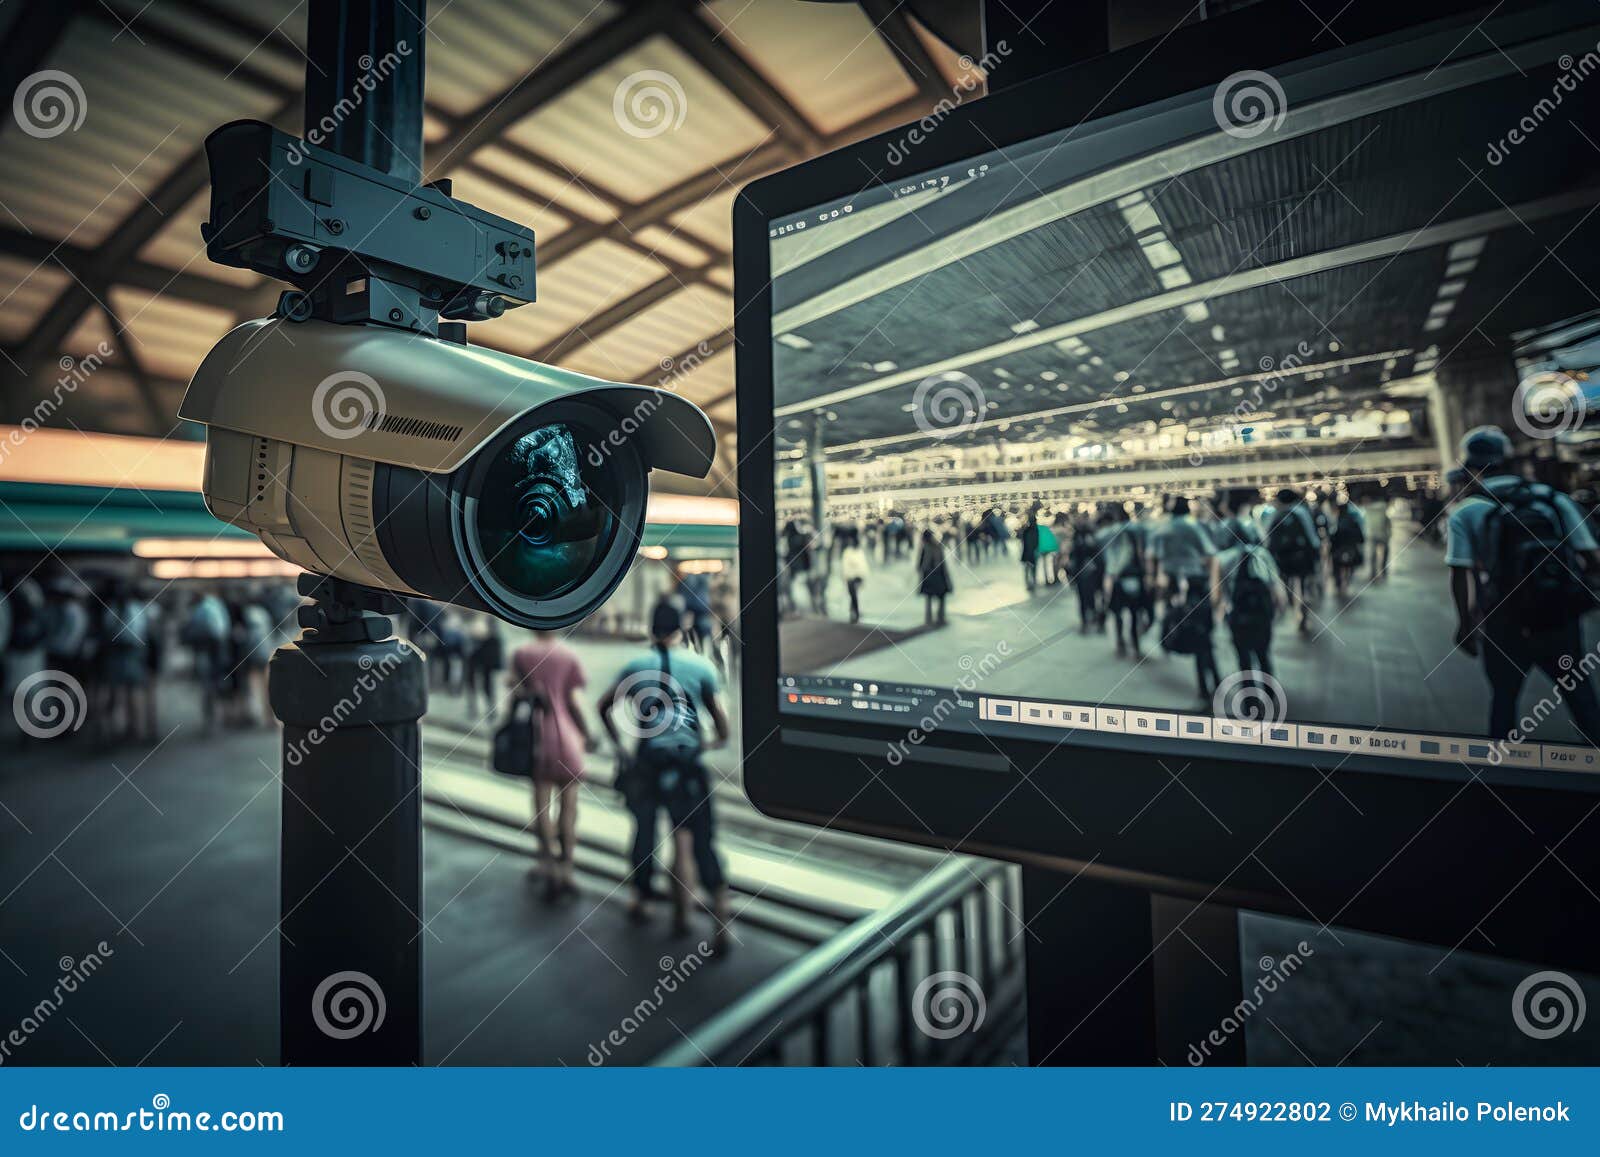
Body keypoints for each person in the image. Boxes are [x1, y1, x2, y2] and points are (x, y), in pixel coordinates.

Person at [1446, 426, 1600, 744]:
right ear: (1511, 462)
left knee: (1504, 700)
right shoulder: (1553, 499)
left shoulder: (1467, 512)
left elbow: (1460, 574)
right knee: (1581, 697)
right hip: (1558, 619)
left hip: (1504, 624)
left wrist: (1466, 624)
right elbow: (1591, 557)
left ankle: (1502, 778)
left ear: (1473, 469)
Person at [600, 602, 731, 946]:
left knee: (644, 832)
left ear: (650, 629)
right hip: (686, 765)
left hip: (647, 762)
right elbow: (722, 728)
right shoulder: (701, 667)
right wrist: (706, 745)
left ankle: (641, 900)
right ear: (682, 626)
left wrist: (621, 746)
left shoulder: (636, 666)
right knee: (695, 838)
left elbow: (604, 706)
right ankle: (716, 920)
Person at [508, 630, 593, 901]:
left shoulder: (522, 654)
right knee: (569, 809)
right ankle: (567, 869)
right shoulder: (568, 655)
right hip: (567, 738)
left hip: (537, 739)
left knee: (541, 807)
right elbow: (575, 702)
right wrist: (588, 733)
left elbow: (515, 694)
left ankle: (548, 867)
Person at [1214, 489, 1288, 689]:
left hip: (1237, 615)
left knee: (1243, 659)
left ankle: (1249, 702)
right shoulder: (1262, 555)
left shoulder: (1222, 559)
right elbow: (1278, 591)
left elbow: (1217, 596)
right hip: (1262, 614)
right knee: (1264, 655)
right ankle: (1270, 694)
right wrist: (1280, 611)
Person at [1151, 496, 1222, 701]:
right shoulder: (1193, 527)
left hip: (1173, 587)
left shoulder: (1162, 530)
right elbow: (1210, 555)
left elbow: (1156, 558)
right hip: (1197, 586)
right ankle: (1212, 682)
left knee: (1188, 629)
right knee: (1204, 636)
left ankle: (1205, 685)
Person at [1265, 488, 1320, 634]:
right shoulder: (1302, 513)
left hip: (1284, 559)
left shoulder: (1277, 515)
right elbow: (1312, 538)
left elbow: (1270, 540)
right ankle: (1302, 612)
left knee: (1286, 585)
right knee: (1303, 587)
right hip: (1303, 558)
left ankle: (1291, 608)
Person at [1099, 507, 1148, 658]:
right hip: (1129, 576)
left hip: (1117, 577)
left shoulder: (1110, 533)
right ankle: (1134, 644)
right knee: (1132, 613)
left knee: (1119, 612)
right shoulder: (1132, 532)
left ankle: (1122, 642)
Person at [1066, 516, 1104, 633]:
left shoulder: (1088, 538)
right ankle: (1088, 621)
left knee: (1088, 598)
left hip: (1088, 573)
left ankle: (1091, 620)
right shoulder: (1080, 538)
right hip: (1084, 572)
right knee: (1086, 598)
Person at [464, 615, 505, 719]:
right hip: (477, 660)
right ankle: (476, 709)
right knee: (478, 685)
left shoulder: (491, 630)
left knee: (486, 686)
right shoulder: (482, 626)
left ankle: (486, 710)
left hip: (483, 661)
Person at [1328, 498, 1367, 597]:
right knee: (1350, 566)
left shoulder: (1337, 522)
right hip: (1351, 549)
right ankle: (1347, 581)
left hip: (1338, 550)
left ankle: (1339, 584)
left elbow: (1332, 537)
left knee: (1337, 566)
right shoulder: (1353, 521)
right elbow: (1360, 537)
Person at [915, 528, 952, 626]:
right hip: (938, 575)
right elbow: (942, 564)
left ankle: (929, 620)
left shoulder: (926, 548)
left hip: (930, 576)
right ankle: (940, 618)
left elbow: (920, 565)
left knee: (930, 598)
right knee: (940, 597)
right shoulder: (938, 546)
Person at [1361, 487, 1395, 580]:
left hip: (1372, 535)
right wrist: (1389, 533)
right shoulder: (1383, 508)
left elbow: (1365, 523)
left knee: (1372, 555)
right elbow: (1387, 522)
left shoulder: (1368, 510)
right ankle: (1383, 570)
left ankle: (1373, 573)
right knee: (1385, 552)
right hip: (1382, 534)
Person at [840, 537, 869, 624]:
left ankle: (855, 612)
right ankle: (854, 611)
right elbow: (845, 566)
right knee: (853, 595)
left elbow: (863, 565)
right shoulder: (847, 552)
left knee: (854, 596)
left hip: (857, 577)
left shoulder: (859, 552)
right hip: (850, 577)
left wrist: (863, 576)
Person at [1019, 512, 1041, 593]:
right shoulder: (1036, 530)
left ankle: (1029, 583)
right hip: (1032, 553)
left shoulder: (1026, 530)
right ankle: (1033, 582)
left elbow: (1023, 541)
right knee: (1033, 569)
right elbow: (1036, 542)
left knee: (1027, 569)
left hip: (1027, 553)